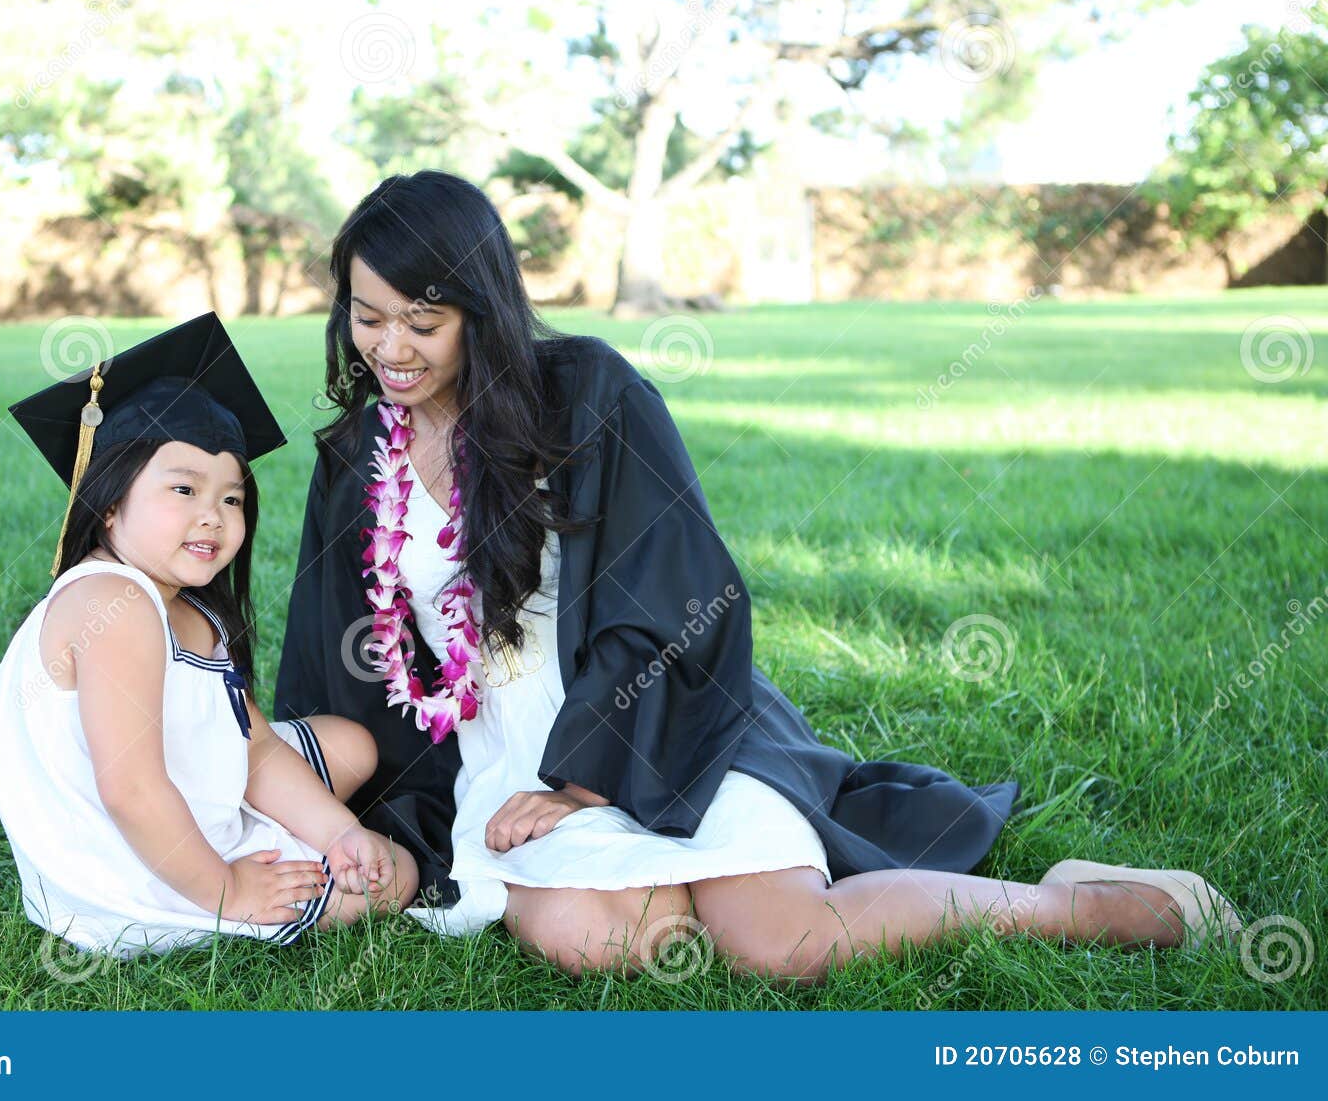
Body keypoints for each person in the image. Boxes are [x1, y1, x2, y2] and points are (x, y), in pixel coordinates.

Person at [273, 170, 1244, 981]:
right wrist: (339, 806)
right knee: (602, 935)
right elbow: (341, 653)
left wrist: (583, 783)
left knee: (781, 941)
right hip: (503, 751)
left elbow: (679, 595)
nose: (390, 349)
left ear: (480, 309)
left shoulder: (585, 394)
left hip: (658, 720)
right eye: (369, 317)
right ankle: (675, 880)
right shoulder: (358, 456)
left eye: (423, 321)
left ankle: (1087, 903)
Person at [0, 312, 415, 957]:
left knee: (350, 746)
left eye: (231, 499)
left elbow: (254, 748)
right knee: (395, 876)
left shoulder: (180, 603)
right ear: (109, 501)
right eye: (184, 489)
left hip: (173, 799)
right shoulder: (113, 603)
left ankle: (280, 836)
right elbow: (131, 790)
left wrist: (338, 834)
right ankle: (219, 875)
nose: (212, 516)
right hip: (130, 865)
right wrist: (229, 889)